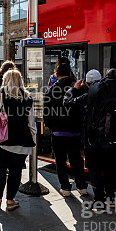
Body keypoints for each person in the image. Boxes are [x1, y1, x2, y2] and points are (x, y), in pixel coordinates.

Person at [0, 70, 36, 211]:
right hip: (21, 140)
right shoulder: (28, 97)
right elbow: (32, 123)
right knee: (15, 171)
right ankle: (11, 201)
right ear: (20, 81)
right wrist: (31, 136)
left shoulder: (0, 96)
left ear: (5, 80)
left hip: (1, 139)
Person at [44, 62, 88, 197]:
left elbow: (47, 112)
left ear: (56, 74)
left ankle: (65, 188)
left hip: (58, 132)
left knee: (60, 161)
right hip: (75, 131)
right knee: (76, 160)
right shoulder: (78, 88)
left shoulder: (51, 90)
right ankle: (82, 186)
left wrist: (52, 126)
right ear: (70, 73)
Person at [85, 69, 116, 209]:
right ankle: (110, 197)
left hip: (97, 136)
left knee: (94, 167)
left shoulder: (95, 88)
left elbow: (89, 110)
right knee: (111, 168)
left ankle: (99, 199)